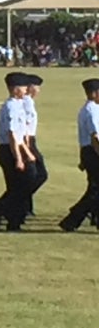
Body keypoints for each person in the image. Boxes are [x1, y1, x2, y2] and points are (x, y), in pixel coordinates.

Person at [0, 73, 38, 232]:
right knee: (21, 185)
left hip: (16, 148)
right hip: (10, 150)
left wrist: (27, 152)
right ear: (15, 89)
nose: (26, 89)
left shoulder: (18, 104)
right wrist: (19, 158)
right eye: (23, 87)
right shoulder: (11, 107)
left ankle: (10, 218)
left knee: (21, 186)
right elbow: (13, 135)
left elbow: (21, 134)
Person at [59, 79, 99, 232]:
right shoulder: (91, 110)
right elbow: (95, 137)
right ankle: (72, 218)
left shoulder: (89, 109)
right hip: (94, 151)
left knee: (94, 188)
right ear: (95, 93)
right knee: (95, 190)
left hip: (89, 151)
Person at [24, 74, 48, 216]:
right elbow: (25, 126)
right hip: (28, 141)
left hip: (30, 140)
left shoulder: (29, 101)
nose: (38, 90)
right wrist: (27, 148)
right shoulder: (26, 102)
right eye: (37, 87)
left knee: (31, 176)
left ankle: (26, 206)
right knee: (39, 175)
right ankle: (16, 201)